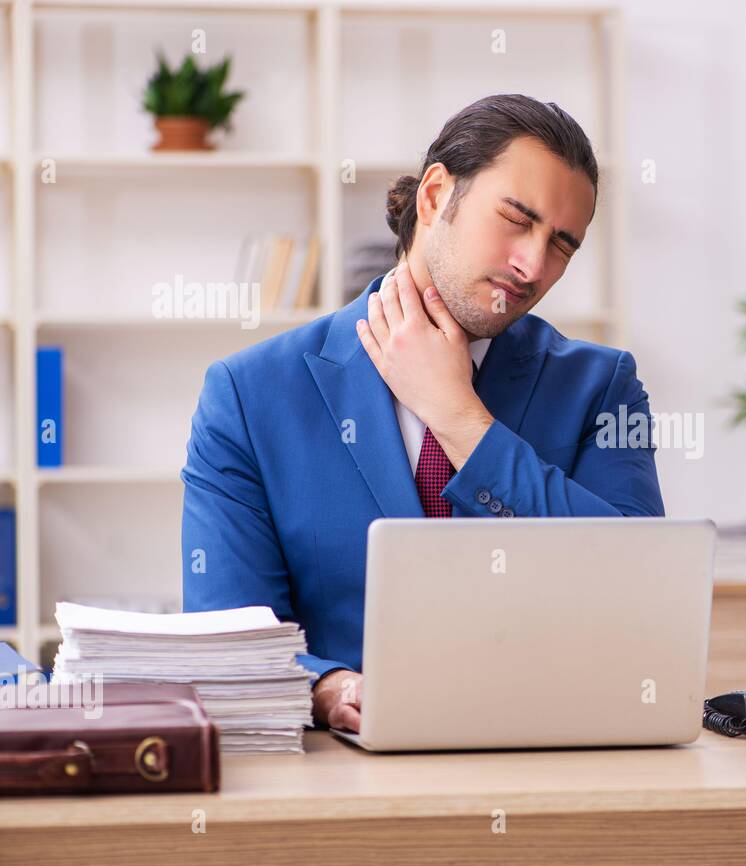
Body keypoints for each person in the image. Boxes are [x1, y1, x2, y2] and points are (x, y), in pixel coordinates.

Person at [181, 94, 665, 732]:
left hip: (552, 754)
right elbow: (228, 633)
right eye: (517, 219)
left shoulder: (602, 387)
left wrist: (461, 418)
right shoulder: (249, 395)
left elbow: (640, 596)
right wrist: (325, 684)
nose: (532, 265)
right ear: (436, 197)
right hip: (340, 780)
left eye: (561, 245)